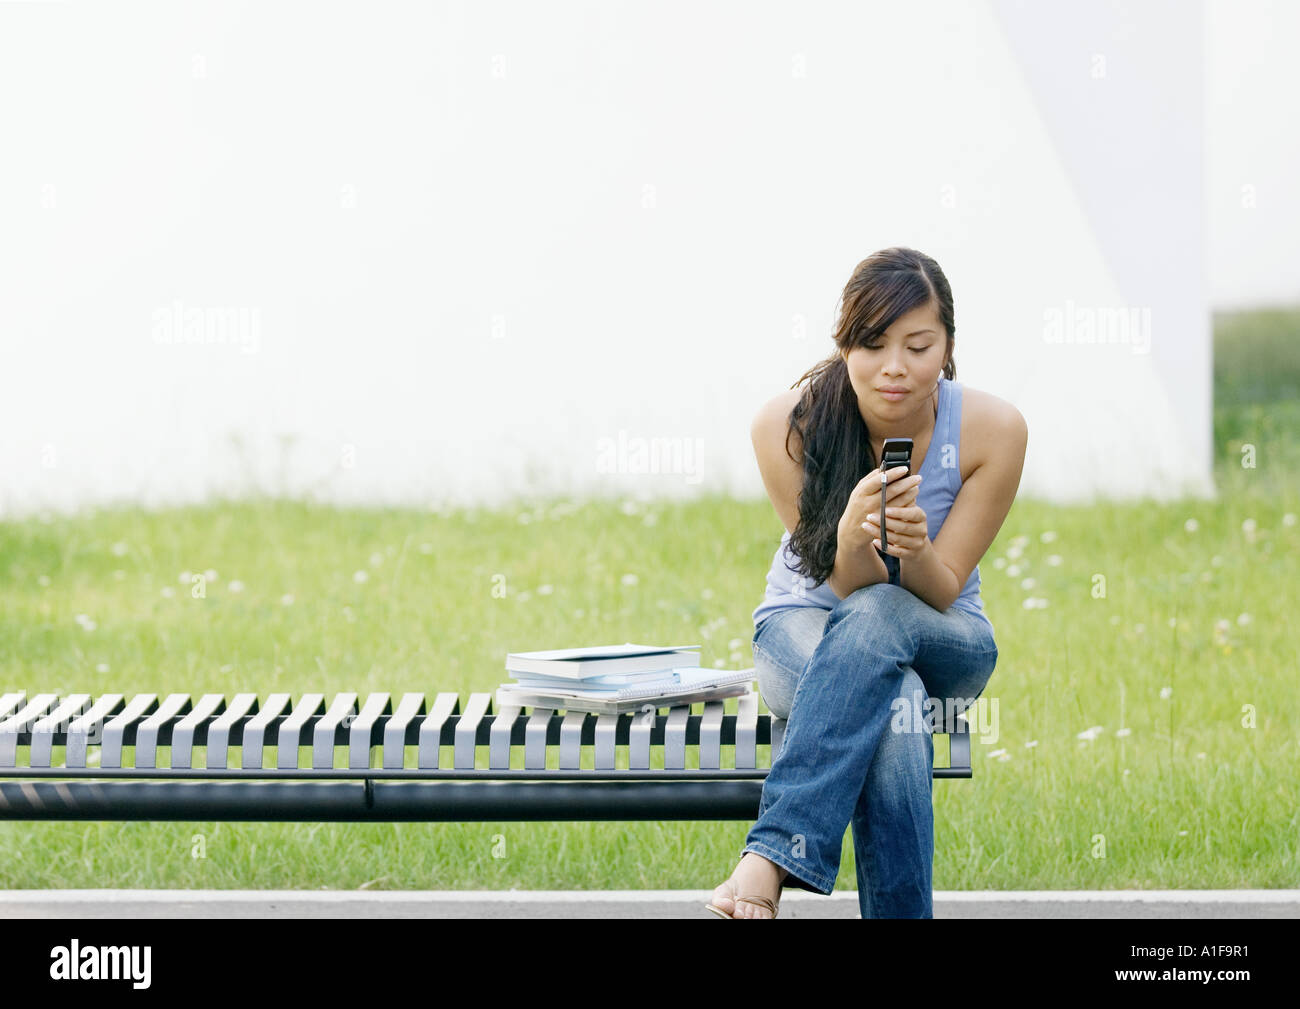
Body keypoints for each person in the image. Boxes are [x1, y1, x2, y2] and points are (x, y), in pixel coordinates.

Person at [707, 246, 1027, 919]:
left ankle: (769, 855)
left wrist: (910, 553)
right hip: (804, 628)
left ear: (948, 346)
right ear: (843, 343)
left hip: (946, 635)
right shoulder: (785, 427)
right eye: (874, 343)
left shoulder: (993, 431)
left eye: (918, 345)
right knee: (896, 702)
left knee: (888, 612)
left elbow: (940, 590)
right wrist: (852, 537)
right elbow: (841, 582)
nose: (895, 367)